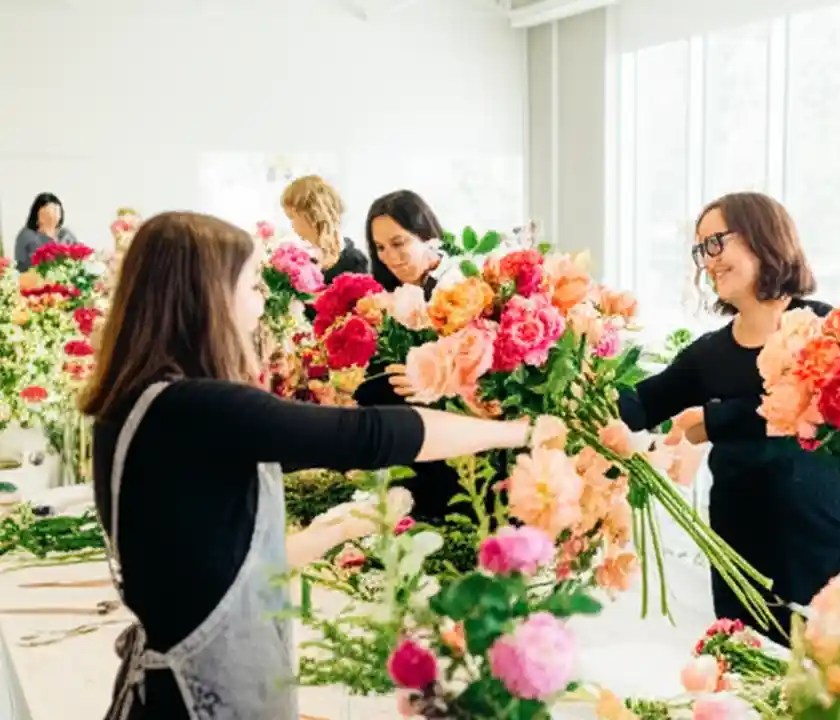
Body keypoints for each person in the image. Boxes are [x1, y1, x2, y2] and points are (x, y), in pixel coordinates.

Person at [83, 211, 537, 719]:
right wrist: (519, 431)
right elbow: (368, 437)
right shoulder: (192, 409)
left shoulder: (142, 405)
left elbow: (214, 564)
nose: (261, 304)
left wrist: (337, 529)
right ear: (206, 297)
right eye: (253, 285)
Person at [616, 192, 840, 645]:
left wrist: (713, 420)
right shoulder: (709, 355)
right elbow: (639, 407)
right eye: (701, 250)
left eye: (716, 243)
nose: (707, 261)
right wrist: (575, 371)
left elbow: (802, 405)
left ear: (763, 237)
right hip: (742, 549)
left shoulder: (828, 328)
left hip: (828, 537)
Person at [352, 190, 469, 524]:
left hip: (457, 448)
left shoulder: (459, 288)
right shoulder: (388, 299)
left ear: (426, 235)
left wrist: (436, 381)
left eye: (399, 242)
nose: (390, 256)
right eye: (380, 248)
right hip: (412, 446)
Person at [280, 175, 368, 284]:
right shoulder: (299, 259)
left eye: (292, 217)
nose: (292, 226)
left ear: (311, 215)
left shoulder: (354, 262)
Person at [13, 192, 77, 271]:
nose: (54, 215)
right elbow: (20, 266)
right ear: (37, 213)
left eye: (57, 211)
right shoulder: (27, 235)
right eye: (49, 212)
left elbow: (78, 259)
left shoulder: (66, 235)